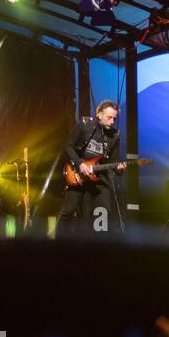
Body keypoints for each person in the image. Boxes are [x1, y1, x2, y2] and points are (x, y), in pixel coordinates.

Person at [59, 100, 127, 236]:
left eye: (114, 118)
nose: (112, 121)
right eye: (109, 117)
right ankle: (59, 242)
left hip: (98, 177)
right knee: (69, 210)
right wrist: (80, 164)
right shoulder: (85, 126)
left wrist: (119, 169)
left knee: (103, 211)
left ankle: (97, 245)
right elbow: (68, 146)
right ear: (100, 114)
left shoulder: (114, 135)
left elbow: (113, 162)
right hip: (77, 174)